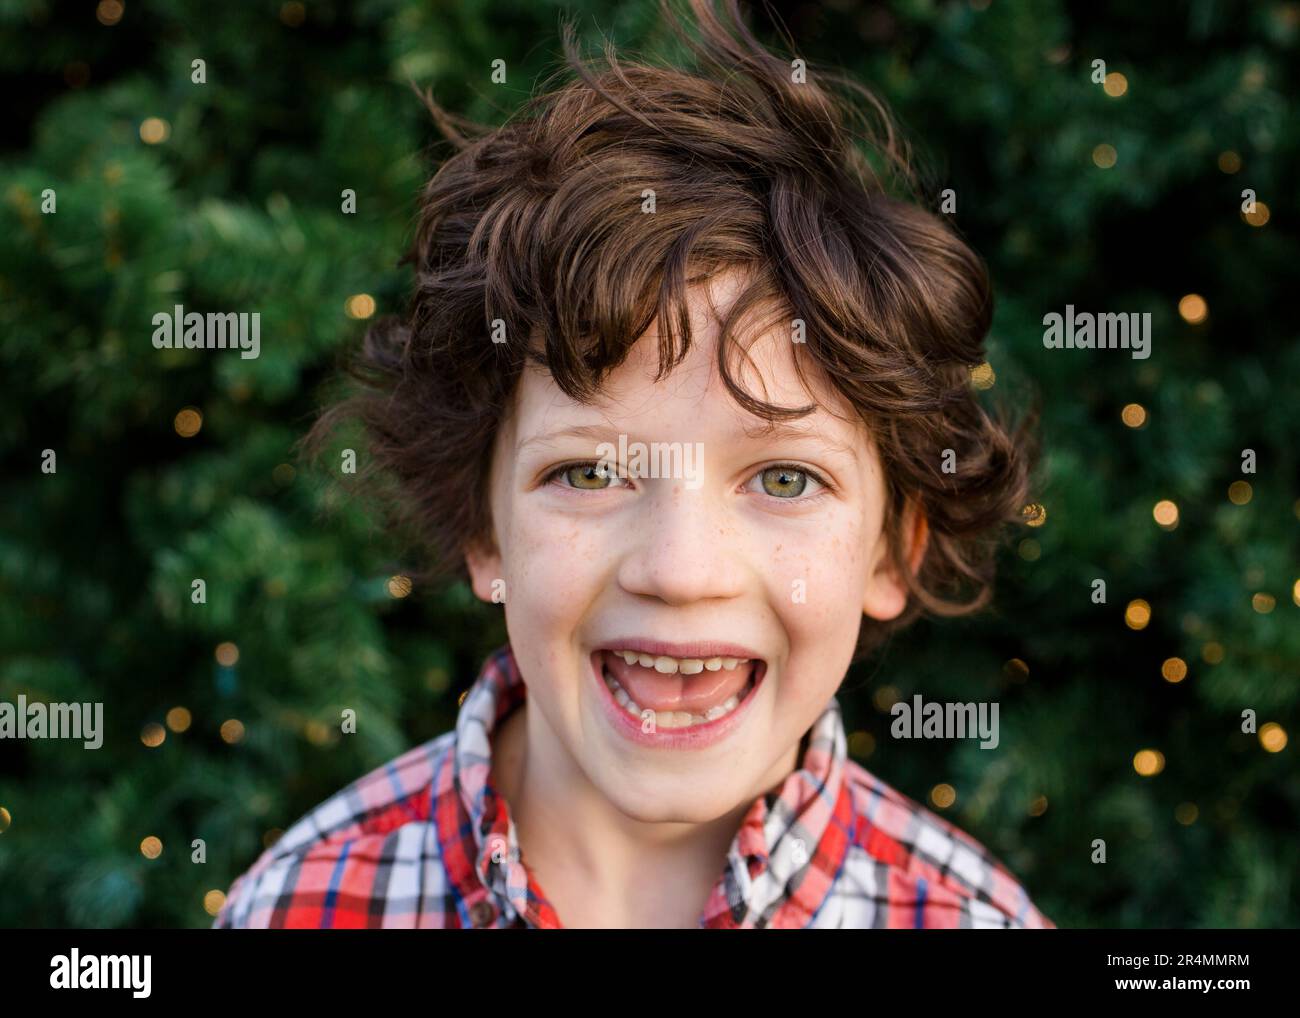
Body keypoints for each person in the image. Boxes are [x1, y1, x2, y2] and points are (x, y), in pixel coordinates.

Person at [214, 0, 1052, 929]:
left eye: (784, 478)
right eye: (586, 473)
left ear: (893, 550)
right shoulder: (299, 906)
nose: (681, 570)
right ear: (484, 529)